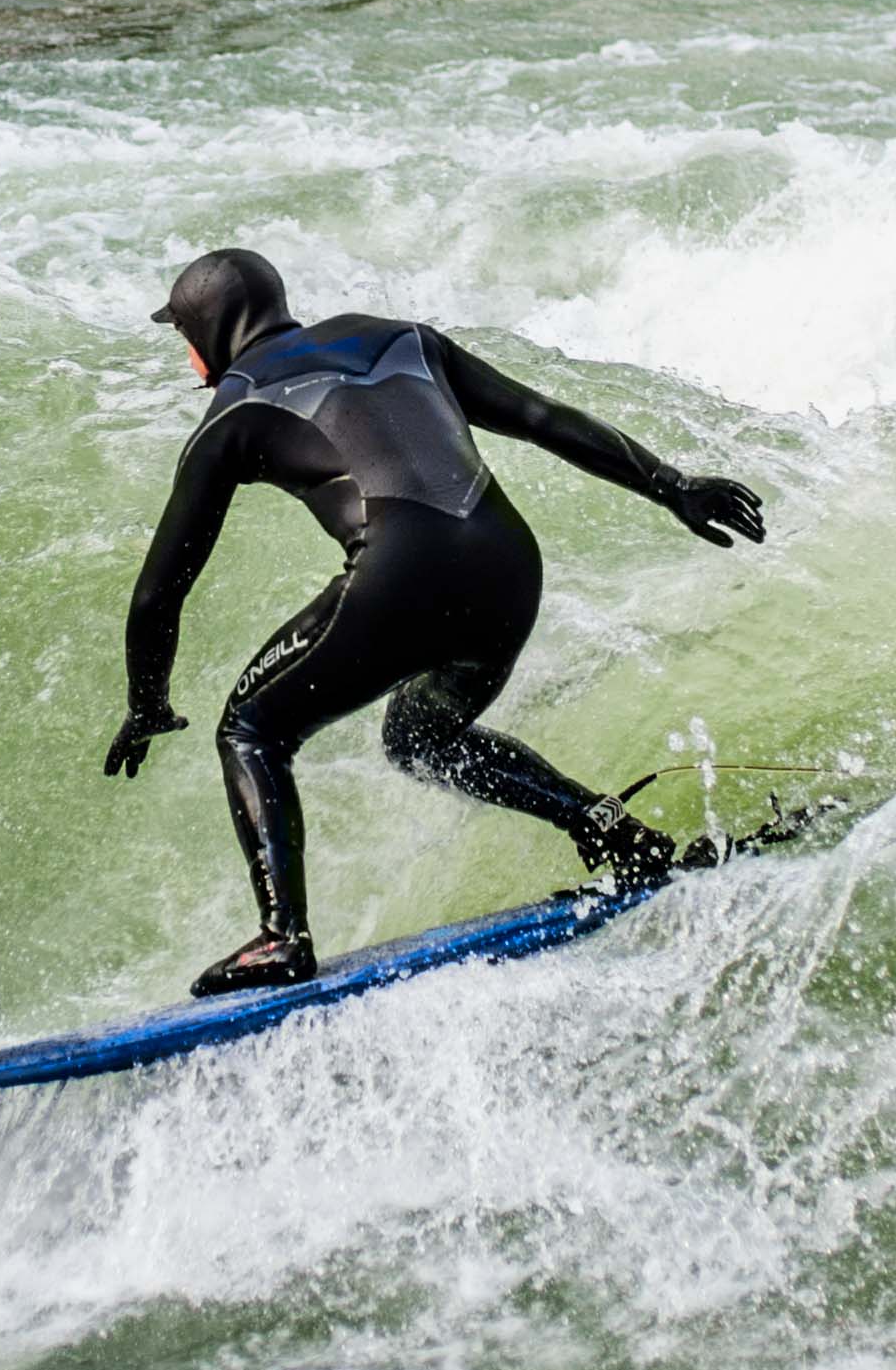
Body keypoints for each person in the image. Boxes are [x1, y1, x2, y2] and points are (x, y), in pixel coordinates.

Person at [104, 249, 765, 999]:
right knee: (420, 738)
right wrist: (673, 486)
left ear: (208, 333)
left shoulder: (234, 412)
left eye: (184, 335)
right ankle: (614, 832)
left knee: (250, 731)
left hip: (401, 573)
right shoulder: (403, 337)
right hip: (508, 569)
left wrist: (148, 703)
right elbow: (544, 420)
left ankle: (282, 937)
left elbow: (159, 593)